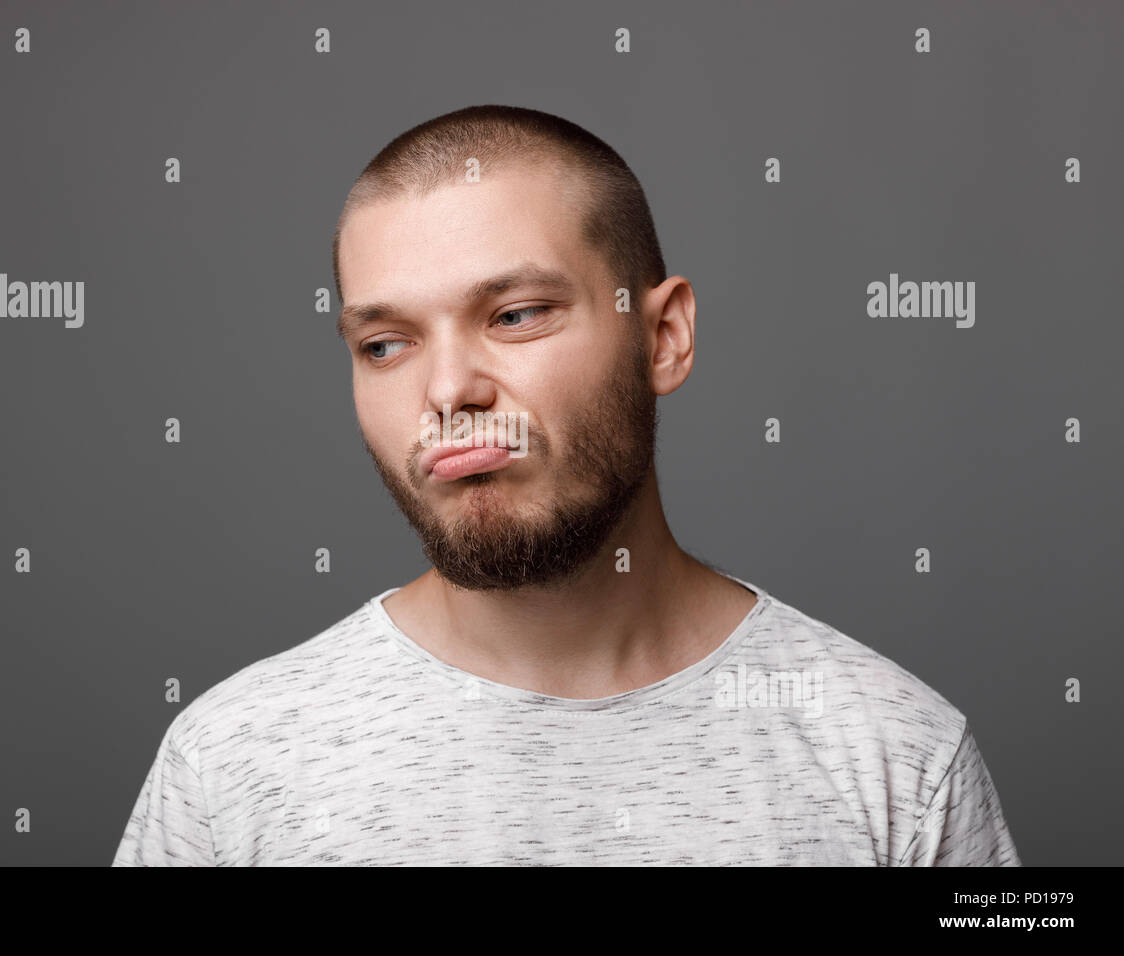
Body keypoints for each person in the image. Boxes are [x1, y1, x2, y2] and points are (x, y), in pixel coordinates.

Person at [113, 105, 1019, 866]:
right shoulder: (228, 766)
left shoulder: (900, 757)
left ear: (662, 337)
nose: (446, 391)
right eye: (385, 344)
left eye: (516, 315)